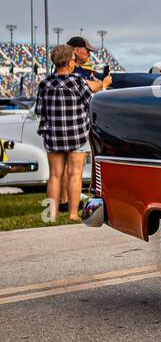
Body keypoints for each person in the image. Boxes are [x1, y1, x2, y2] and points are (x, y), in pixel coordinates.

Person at [33, 44, 93, 222]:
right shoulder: (78, 82)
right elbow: (90, 103)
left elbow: (39, 110)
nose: (75, 63)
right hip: (77, 134)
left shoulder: (45, 83)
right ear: (68, 62)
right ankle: (73, 214)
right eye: (74, 60)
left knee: (55, 175)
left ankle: (51, 214)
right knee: (75, 174)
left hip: (53, 136)